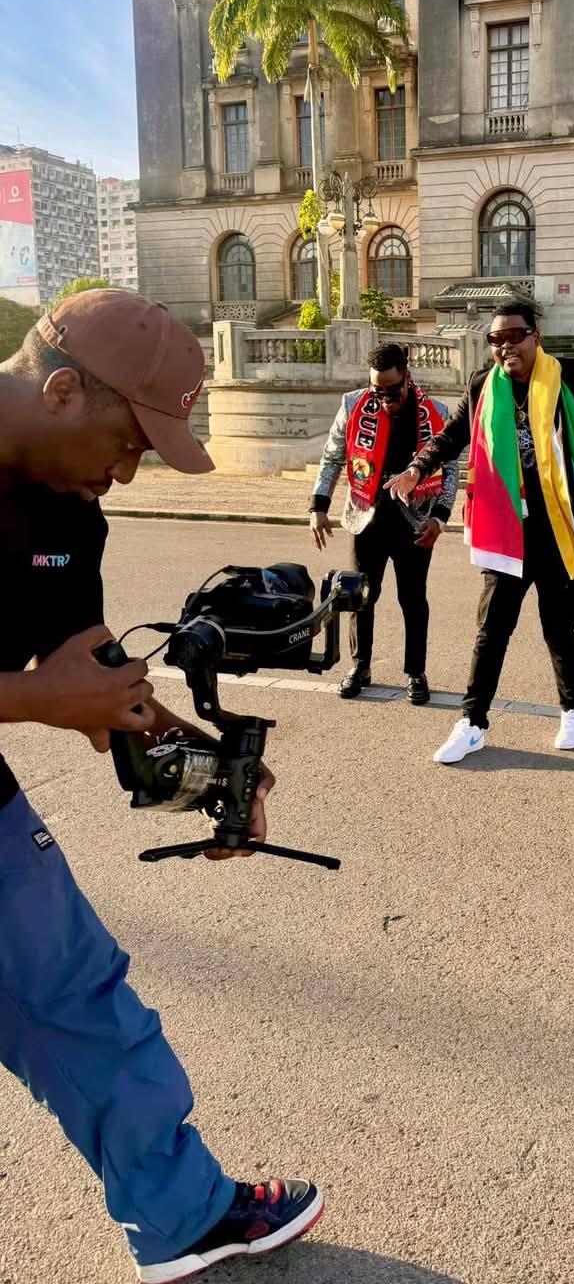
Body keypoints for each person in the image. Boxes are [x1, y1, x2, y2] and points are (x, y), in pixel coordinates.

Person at [0, 290, 322, 1282]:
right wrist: (28, 701)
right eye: (130, 442)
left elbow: (93, 676)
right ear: (61, 391)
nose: (129, 473)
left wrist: (202, 773)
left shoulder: (67, 515)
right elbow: (54, 692)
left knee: (78, 995)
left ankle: (181, 1214)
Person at [387, 304, 574, 763]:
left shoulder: (568, 376)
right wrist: (415, 469)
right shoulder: (483, 385)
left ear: (536, 337)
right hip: (506, 530)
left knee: (559, 629)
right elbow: (451, 436)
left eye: (514, 336)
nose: (504, 347)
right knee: (490, 631)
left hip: (558, 529)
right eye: (495, 340)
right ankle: (472, 721)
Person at [309, 342, 458, 705]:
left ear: (407, 376)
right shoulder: (353, 405)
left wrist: (440, 518)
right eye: (378, 391)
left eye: (392, 390)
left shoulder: (436, 412)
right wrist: (318, 506)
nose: (385, 398)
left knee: (413, 598)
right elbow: (332, 458)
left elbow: (451, 469)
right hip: (367, 516)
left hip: (415, 520)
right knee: (360, 596)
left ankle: (415, 672)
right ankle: (360, 666)